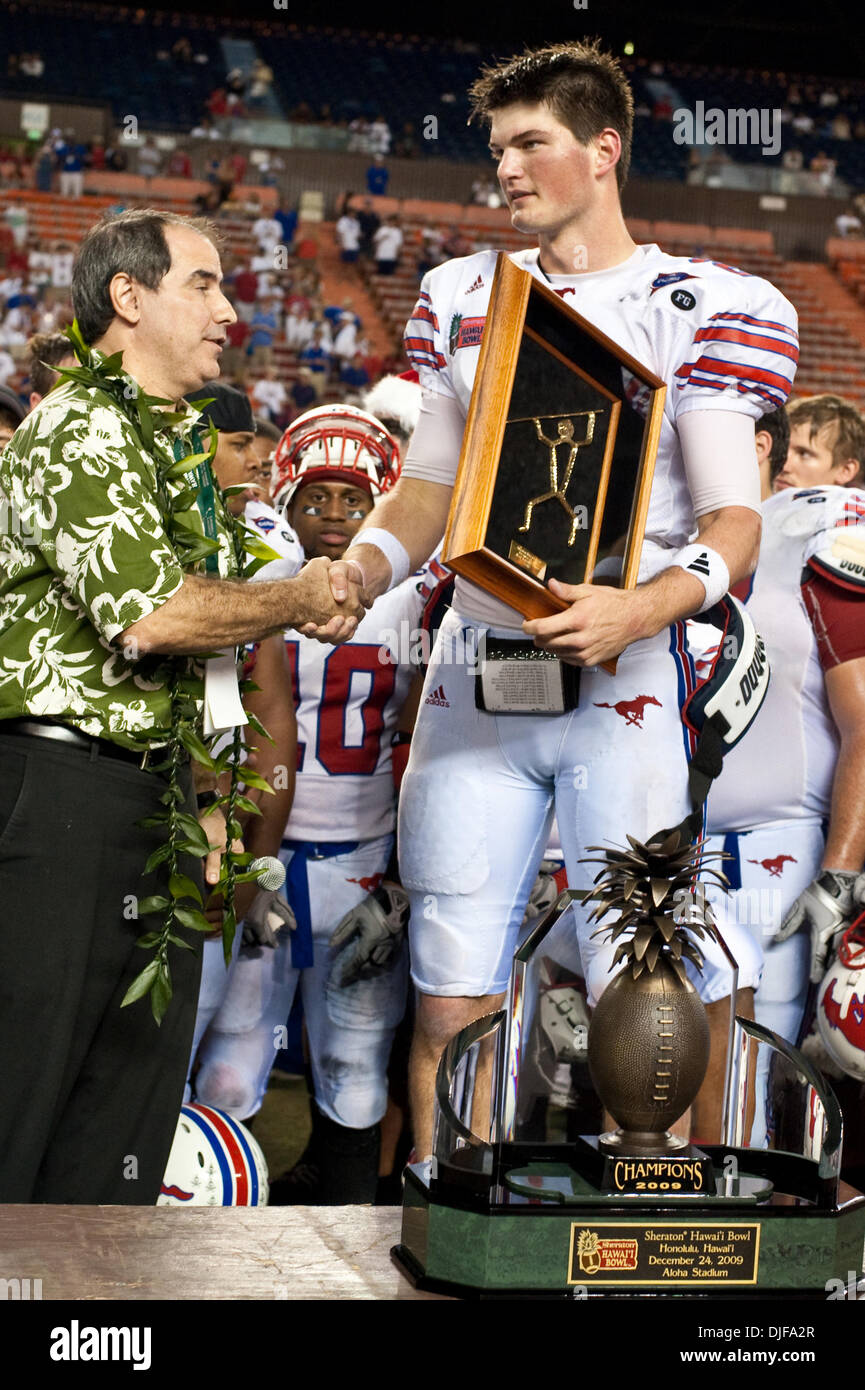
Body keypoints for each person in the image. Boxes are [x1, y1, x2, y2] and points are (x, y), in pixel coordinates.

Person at [314, 40, 799, 1158]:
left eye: (531, 143)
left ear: (603, 149)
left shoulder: (705, 302)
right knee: (447, 999)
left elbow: (734, 522)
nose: (507, 169)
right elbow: (426, 487)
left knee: (647, 1014)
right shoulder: (459, 293)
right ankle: (442, 1236)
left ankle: (652, 1240)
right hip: (475, 674)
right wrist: (366, 571)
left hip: (622, 671)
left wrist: (642, 610)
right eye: (496, 149)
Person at [0, 208, 365, 1204]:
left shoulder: (170, 456)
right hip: (59, 797)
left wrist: (209, 803)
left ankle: (83, 1329)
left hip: (147, 806)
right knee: (25, 1103)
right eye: (203, 285)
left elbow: (202, 671)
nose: (229, 312)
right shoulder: (79, 424)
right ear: (128, 296)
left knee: (119, 1119)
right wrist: (302, 593)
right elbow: (155, 619)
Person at [194, 405, 431, 1203]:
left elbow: (416, 739)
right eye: (314, 499)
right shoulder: (258, 582)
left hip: (358, 856)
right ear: (284, 497)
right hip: (266, 846)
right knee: (227, 1066)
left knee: (354, 1066)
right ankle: (217, 1220)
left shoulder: (408, 599)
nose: (332, 517)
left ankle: (344, 1230)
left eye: (354, 502)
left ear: (382, 508)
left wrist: (401, 872)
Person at [701, 397, 865, 1141]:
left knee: (761, 1054)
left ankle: (750, 1226)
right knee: (681, 1044)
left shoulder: (826, 527)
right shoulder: (728, 528)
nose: (789, 462)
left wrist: (838, 868)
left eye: (805, 449)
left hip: (780, 833)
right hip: (692, 831)